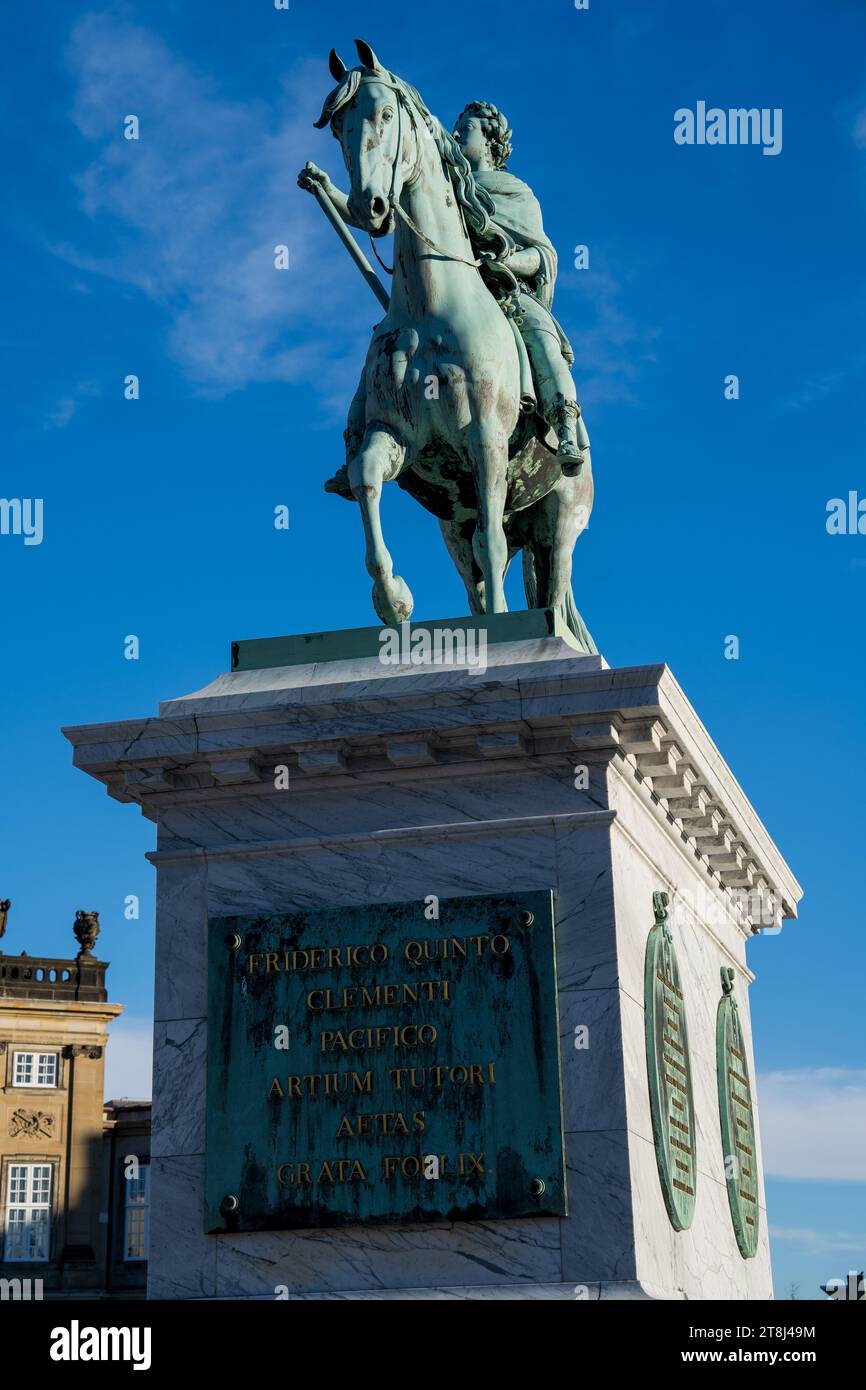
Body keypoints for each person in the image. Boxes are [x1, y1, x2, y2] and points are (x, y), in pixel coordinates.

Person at [298, 98, 585, 492]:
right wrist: (328, 188)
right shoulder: (439, 187)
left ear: (489, 141)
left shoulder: (514, 191)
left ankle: (564, 422)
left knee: (538, 331)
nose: (455, 133)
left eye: (465, 129)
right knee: (381, 347)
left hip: (502, 294)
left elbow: (541, 255)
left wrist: (503, 264)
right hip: (438, 297)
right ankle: (357, 450)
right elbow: (373, 217)